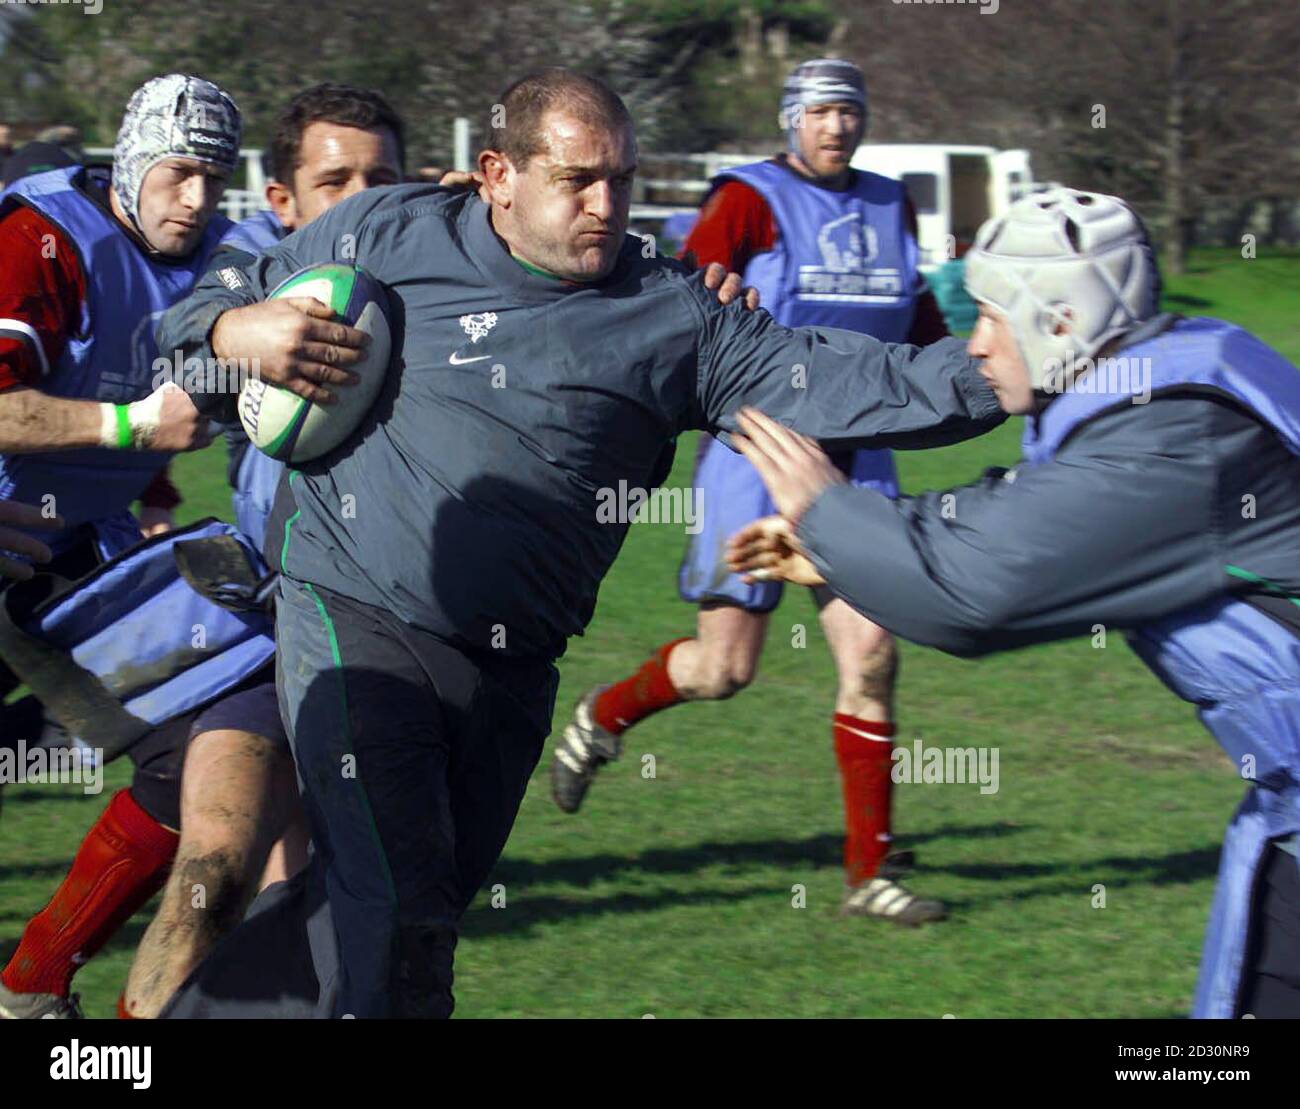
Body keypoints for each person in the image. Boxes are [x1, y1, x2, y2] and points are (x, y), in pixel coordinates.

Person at [155, 67, 1004, 1019]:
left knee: (396, 911)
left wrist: (1019, 367)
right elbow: (192, 317)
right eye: (578, 181)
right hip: (352, 615)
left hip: (517, 665)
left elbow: (852, 380)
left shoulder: (675, 312)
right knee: (395, 918)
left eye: (624, 180)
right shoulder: (388, 231)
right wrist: (236, 323)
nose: (609, 206)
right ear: (498, 175)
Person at [725, 186, 1300, 1018]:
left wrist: (826, 507)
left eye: (994, 316)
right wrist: (839, 546)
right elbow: (1023, 516)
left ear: (1061, 321)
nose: (977, 342)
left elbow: (970, 591)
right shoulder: (1175, 375)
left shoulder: (1177, 436)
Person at [550, 58, 950, 925]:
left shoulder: (892, 202)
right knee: (724, 669)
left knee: (873, 654)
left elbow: (919, 321)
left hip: (863, 455)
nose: (837, 127)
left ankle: (867, 875)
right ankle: (601, 716)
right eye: (820, 113)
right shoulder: (747, 199)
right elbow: (683, 300)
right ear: (790, 120)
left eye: (849, 111)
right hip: (760, 449)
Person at [117, 82, 408, 1020]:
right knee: (213, 875)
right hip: (270, 635)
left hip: (399, 646)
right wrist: (234, 336)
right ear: (283, 199)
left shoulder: (439, 295)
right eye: (336, 180)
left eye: (382, 177)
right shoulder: (257, 286)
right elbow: (177, 373)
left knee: (330, 931)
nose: (361, 197)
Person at [0, 73, 250, 1021]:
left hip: (76, 544)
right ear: (137, 161)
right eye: (181, 173)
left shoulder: (222, 254)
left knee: (196, 753)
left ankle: (33, 977)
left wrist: (146, 490)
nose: (197, 199)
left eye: (215, 180)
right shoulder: (42, 238)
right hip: (14, 526)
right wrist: (133, 432)